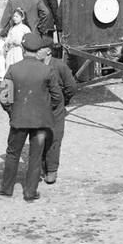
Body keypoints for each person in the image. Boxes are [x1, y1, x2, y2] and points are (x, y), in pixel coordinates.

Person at [0, 32, 63, 202]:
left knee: (12, 154)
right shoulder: (47, 70)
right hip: (41, 122)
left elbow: (3, 97)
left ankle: (6, 188)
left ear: (23, 48)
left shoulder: (13, 69)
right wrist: (45, 110)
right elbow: (57, 97)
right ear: (38, 49)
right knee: (35, 155)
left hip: (18, 120)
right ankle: (30, 192)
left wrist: (12, 111)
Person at [41, 41, 77, 185]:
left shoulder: (60, 66)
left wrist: (62, 102)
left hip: (56, 108)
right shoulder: (36, 65)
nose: (36, 52)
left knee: (54, 139)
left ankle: (52, 170)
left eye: (40, 49)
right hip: (39, 108)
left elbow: (71, 87)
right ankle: (42, 166)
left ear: (48, 51)